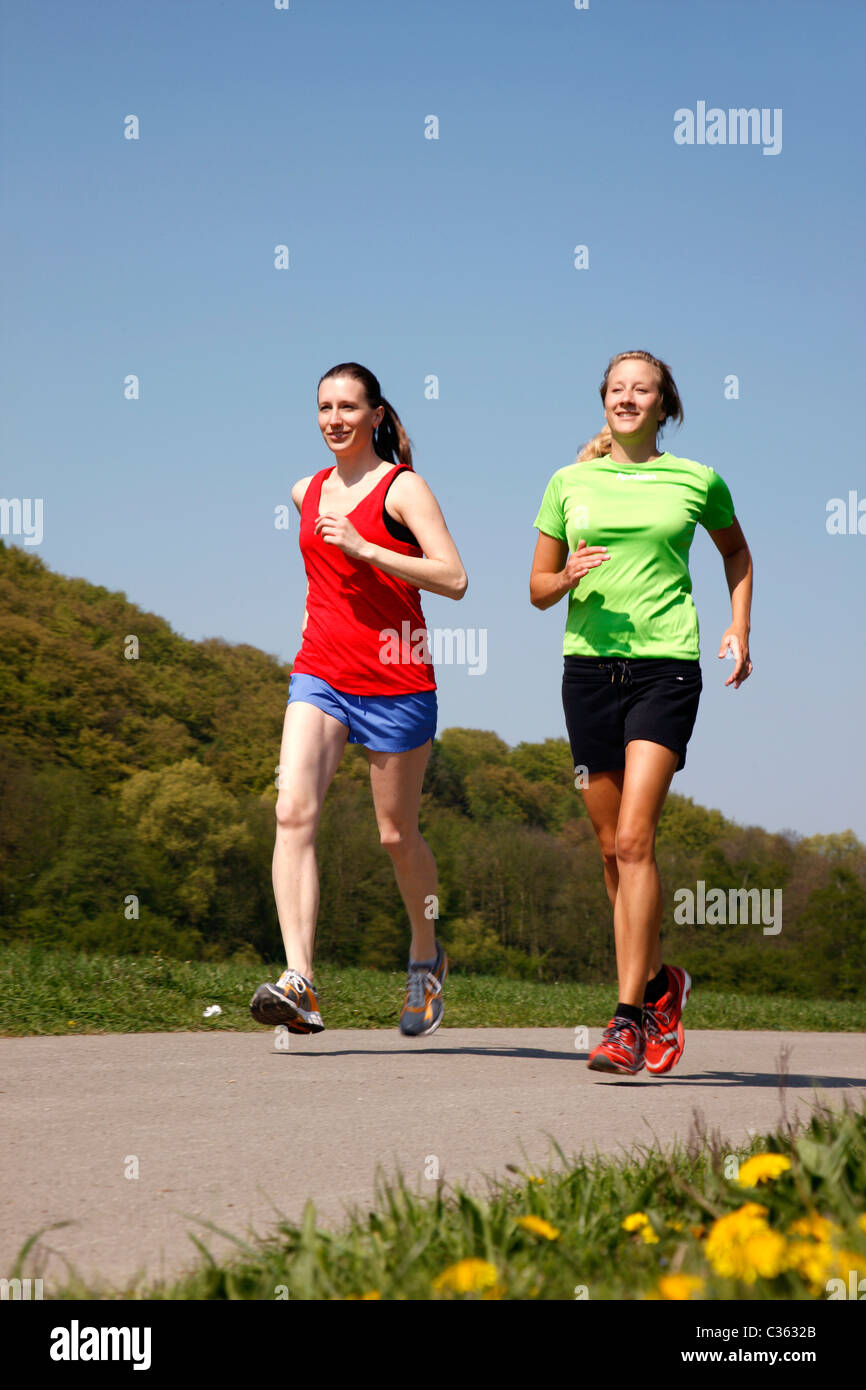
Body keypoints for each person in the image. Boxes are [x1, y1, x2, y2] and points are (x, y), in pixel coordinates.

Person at [530, 349, 753, 1075]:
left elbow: (736, 552)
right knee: (605, 850)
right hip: (588, 672)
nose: (629, 398)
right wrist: (564, 576)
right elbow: (535, 588)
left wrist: (738, 627)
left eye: (643, 389)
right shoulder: (570, 482)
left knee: (634, 841)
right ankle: (661, 986)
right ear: (605, 403)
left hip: (666, 668)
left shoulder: (696, 480)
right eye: (618, 389)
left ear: (665, 405)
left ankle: (626, 1021)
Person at [250, 364, 467, 1038]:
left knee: (396, 835)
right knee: (292, 812)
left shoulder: (403, 488)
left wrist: (370, 547)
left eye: (349, 407)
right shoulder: (304, 490)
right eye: (324, 407)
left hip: (398, 681)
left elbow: (454, 578)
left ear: (376, 415)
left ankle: (427, 959)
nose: (335, 419)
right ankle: (301, 982)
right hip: (320, 673)